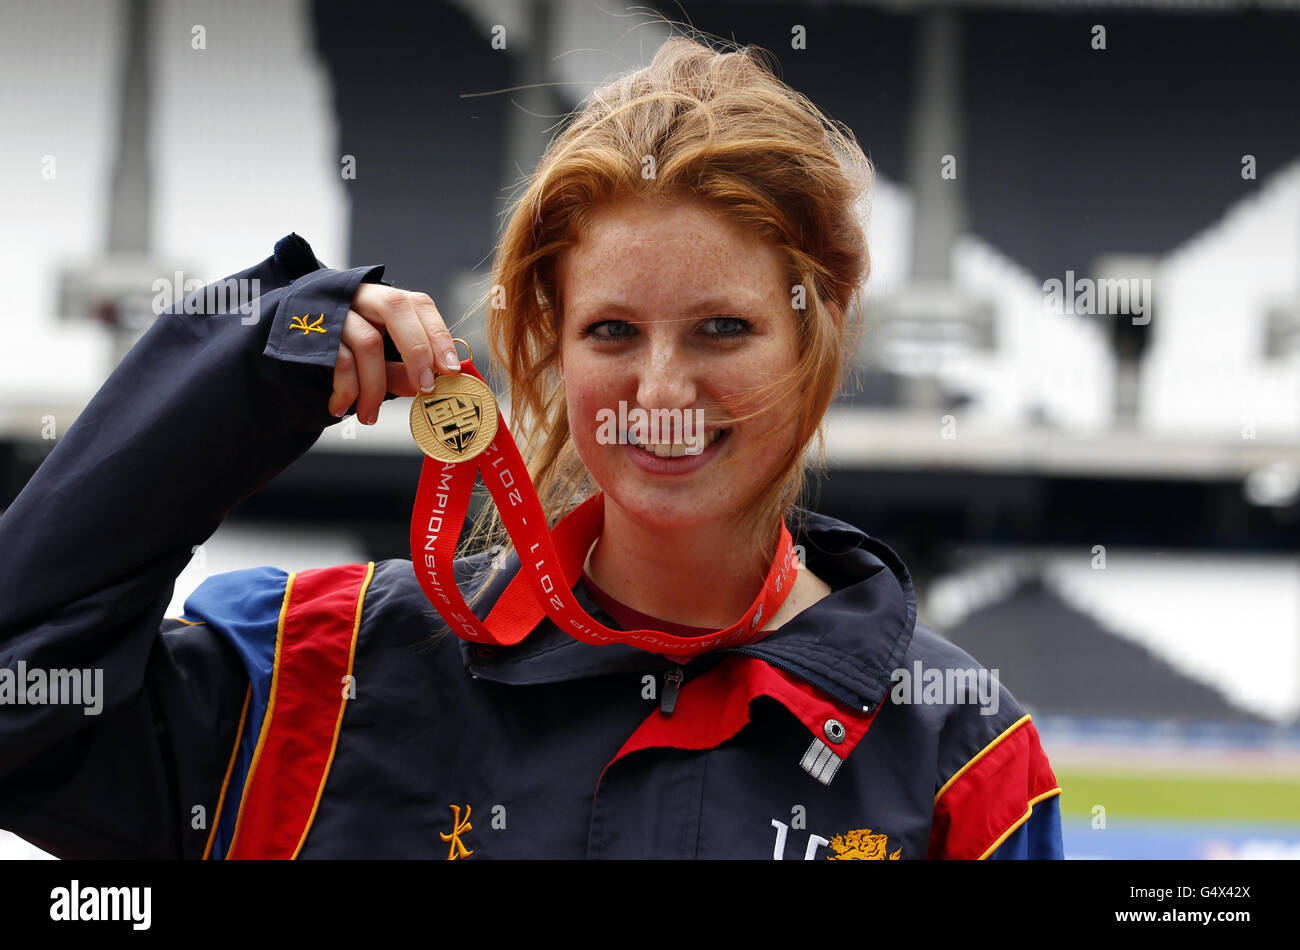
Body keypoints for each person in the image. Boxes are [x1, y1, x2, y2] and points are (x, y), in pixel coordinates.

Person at [0, 35, 1062, 860]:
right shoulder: (319, 677)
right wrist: (249, 367)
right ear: (548, 344)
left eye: (721, 328)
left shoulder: (958, 752)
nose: (660, 389)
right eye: (610, 331)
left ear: (817, 322)